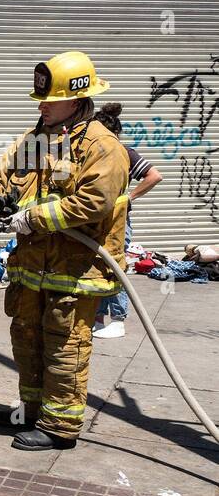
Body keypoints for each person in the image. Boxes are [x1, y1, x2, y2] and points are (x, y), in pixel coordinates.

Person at [0, 51, 128, 451]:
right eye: (41, 100)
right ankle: (32, 412)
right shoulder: (36, 140)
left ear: (78, 99)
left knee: (64, 344)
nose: (43, 107)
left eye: (51, 100)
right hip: (32, 268)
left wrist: (32, 219)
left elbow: (94, 203)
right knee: (27, 338)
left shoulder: (102, 147)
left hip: (76, 270)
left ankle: (60, 428)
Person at [88, 103, 163, 340]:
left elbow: (154, 175)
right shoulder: (94, 154)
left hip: (117, 224)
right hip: (95, 222)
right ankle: (98, 319)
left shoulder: (123, 153)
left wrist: (129, 198)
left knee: (114, 268)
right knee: (97, 268)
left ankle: (118, 320)